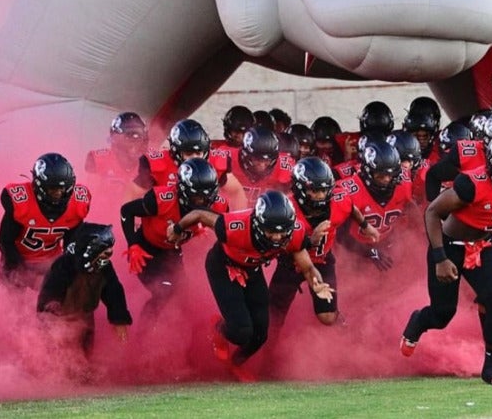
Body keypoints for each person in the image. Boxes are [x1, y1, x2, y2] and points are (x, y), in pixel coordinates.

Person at [400, 133, 492, 386]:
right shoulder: (472, 183)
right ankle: (417, 322)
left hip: (484, 246)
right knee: (443, 314)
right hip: (450, 245)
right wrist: (440, 257)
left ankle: (491, 366)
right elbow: (433, 213)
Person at [166, 190, 334, 380]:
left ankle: (234, 363)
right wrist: (177, 229)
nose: (277, 238)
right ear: (258, 224)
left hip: (252, 270)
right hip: (223, 266)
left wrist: (317, 284)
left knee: (261, 334)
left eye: (282, 232)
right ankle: (218, 328)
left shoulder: (294, 233)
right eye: (271, 231)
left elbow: (309, 267)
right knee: (241, 331)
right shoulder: (234, 226)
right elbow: (199, 214)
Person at [269, 157, 378, 332]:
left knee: (327, 317)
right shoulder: (285, 209)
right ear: (300, 188)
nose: (321, 195)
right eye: (315, 190)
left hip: (322, 261)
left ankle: (339, 318)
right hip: (291, 264)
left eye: (325, 190)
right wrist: (309, 241)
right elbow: (276, 242)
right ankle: (269, 349)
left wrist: (365, 225)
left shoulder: (339, 199)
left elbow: (350, 208)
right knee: (273, 318)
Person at [120, 158, 229, 321]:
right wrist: (133, 245)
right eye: (197, 197)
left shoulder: (219, 206)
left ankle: (179, 336)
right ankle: (141, 337)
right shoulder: (160, 199)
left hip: (172, 251)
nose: (202, 202)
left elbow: (230, 234)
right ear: (183, 191)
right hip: (146, 249)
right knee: (164, 292)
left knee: (184, 297)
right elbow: (126, 211)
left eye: (207, 196)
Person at [37, 222, 131, 357]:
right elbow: (49, 297)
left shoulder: (104, 268)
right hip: (59, 321)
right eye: (104, 251)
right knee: (57, 359)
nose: (109, 253)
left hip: (85, 318)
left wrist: (119, 319)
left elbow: (114, 291)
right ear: (90, 249)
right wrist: (52, 325)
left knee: (85, 359)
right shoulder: (63, 266)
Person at [0, 153, 91, 290]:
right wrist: (19, 270)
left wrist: (68, 269)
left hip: (51, 261)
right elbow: (5, 241)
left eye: (63, 188)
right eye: (53, 188)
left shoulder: (77, 204)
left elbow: (71, 243)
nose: (59, 193)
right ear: (38, 185)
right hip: (19, 260)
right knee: (14, 299)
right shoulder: (21, 203)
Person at [124, 118, 246, 210]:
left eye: (198, 152)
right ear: (175, 151)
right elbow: (131, 194)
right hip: (167, 224)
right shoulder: (158, 165)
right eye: (189, 153)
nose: (194, 158)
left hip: (202, 222)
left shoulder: (216, 163)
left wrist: (233, 223)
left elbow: (236, 192)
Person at [336, 139, 413, 272]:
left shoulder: (404, 183)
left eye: (390, 175)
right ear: (367, 171)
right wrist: (371, 252)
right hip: (355, 250)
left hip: (387, 243)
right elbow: (341, 236)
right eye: (380, 176)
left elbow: (412, 210)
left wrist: (411, 236)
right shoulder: (349, 190)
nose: (386, 180)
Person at [84, 112, 150, 188]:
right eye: (130, 135)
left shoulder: (149, 163)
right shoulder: (99, 160)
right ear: (115, 137)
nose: (136, 141)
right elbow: (89, 192)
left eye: (139, 136)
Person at [230, 126, 294, 205]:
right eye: (257, 159)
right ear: (245, 155)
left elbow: (293, 196)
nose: (262, 164)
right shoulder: (227, 158)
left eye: (267, 160)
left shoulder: (284, 164)